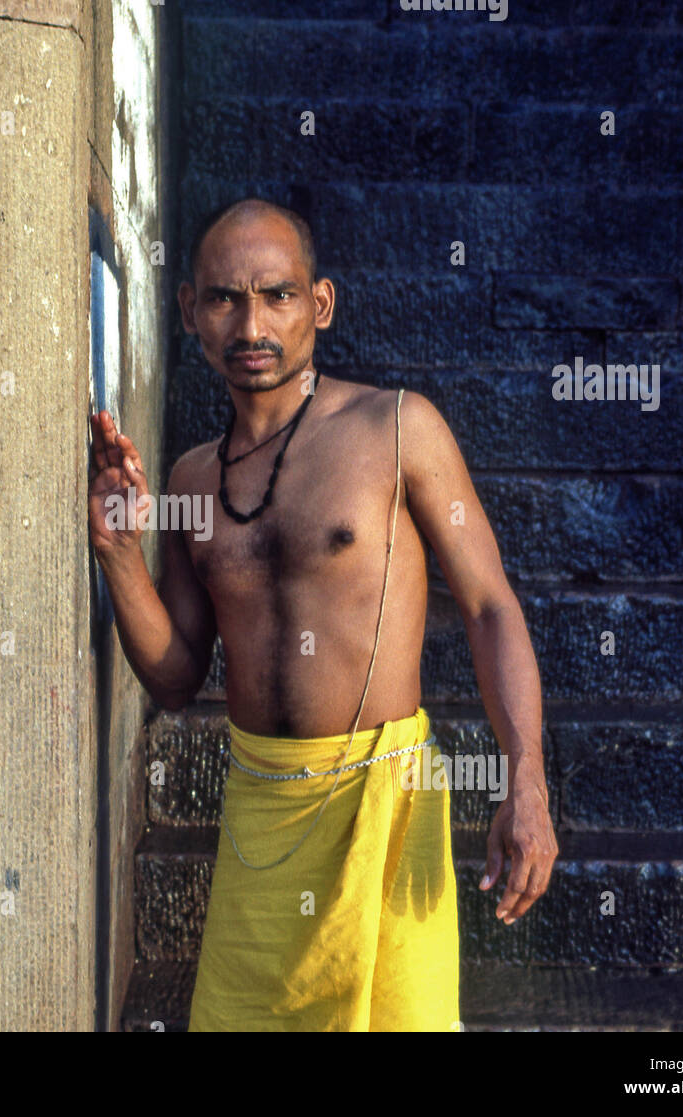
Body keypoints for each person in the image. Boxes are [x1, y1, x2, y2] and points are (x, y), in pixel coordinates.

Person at [88, 197, 557, 1031]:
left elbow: (489, 607)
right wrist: (121, 555)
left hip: (385, 805)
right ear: (191, 310)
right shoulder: (194, 480)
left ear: (322, 304)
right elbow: (174, 677)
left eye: (278, 295)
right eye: (226, 298)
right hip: (261, 813)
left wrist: (525, 779)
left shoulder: (398, 429)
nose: (251, 322)